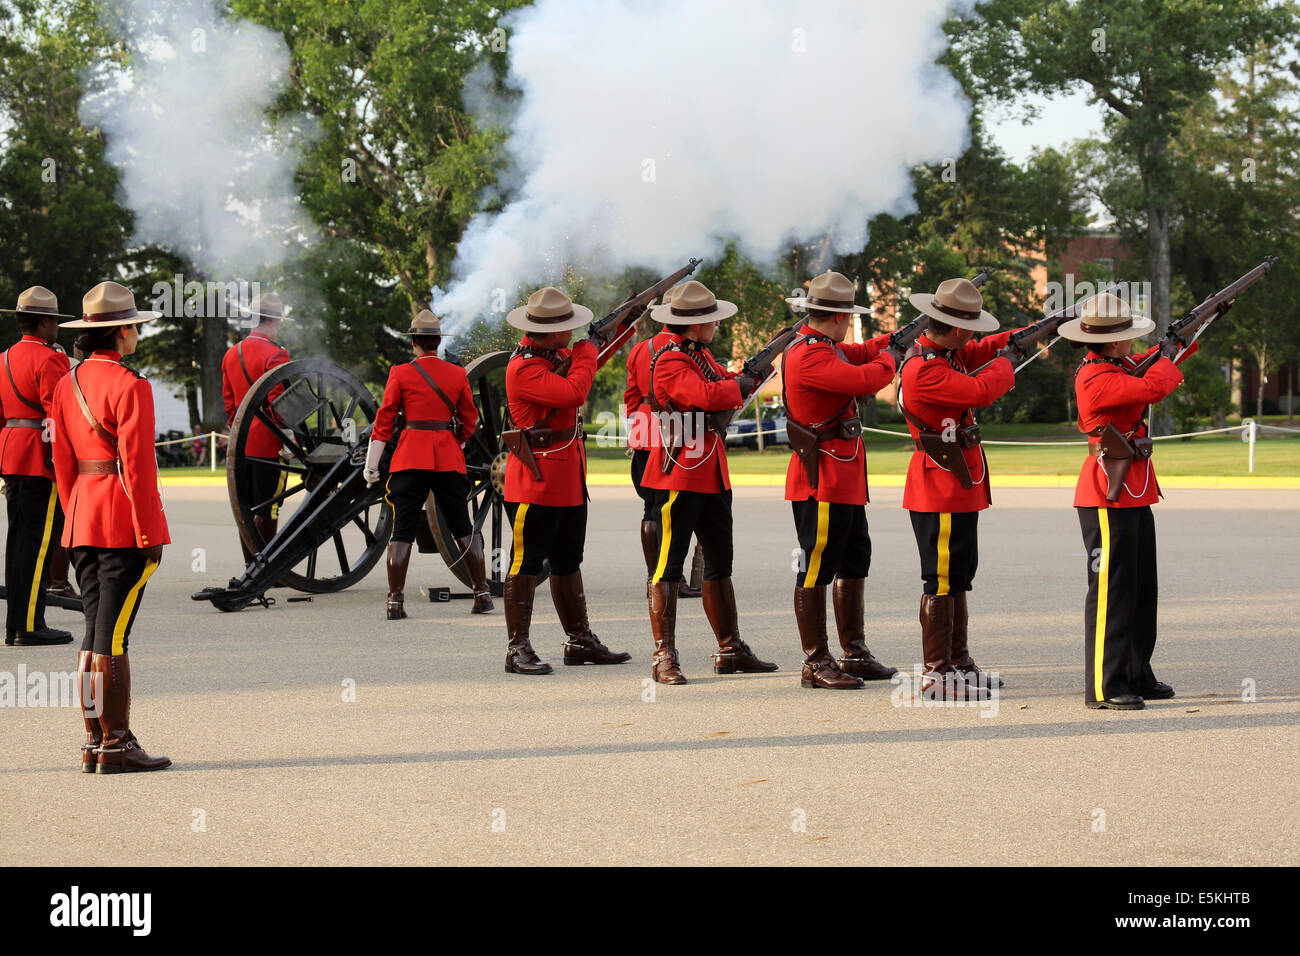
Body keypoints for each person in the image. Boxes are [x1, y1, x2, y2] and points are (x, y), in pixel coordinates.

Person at [50, 281, 170, 773]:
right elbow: (138, 469)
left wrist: (74, 512)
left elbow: (62, 463)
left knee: (94, 633)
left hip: (82, 517)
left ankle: (95, 742)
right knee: (114, 638)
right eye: (134, 328)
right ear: (120, 332)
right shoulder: (130, 385)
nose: (137, 335)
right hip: (122, 522)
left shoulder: (66, 384)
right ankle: (116, 745)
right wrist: (148, 534)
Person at [1059, 292, 1194, 710]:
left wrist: (1179, 342)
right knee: (1112, 592)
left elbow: (1149, 368)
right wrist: (1168, 357)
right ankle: (1106, 683)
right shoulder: (1096, 376)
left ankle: (1136, 671)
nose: (1133, 343)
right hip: (1106, 493)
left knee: (1140, 588)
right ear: (1115, 342)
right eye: (1129, 337)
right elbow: (1153, 386)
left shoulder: (1116, 366)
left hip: (1133, 487)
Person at [641, 280, 776, 684]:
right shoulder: (669, 360)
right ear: (696, 324)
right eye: (711, 319)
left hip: (710, 471)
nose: (717, 324)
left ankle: (730, 648)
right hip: (679, 471)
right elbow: (702, 395)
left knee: (720, 563)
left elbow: (725, 381)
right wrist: (739, 385)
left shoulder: (699, 354)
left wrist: (760, 368)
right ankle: (664, 655)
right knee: (667, 567)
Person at [899, 277, 1020, 701]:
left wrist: (1022, 335)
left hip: (955, 483)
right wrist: (1011, 358)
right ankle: (937, 674)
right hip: (941, 486)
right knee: (942, 580)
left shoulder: (943, 352)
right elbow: (983, 389)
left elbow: (982, 351)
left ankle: (959, 663)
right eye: (970, 328)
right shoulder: (927, 369)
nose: (974, 336)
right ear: (955, 330)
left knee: (958, 576)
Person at [501, 286, 633, 675]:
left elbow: (591, 359)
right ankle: (517, 648)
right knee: (525, 564)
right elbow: (576, 388)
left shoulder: (555, 354)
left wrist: (626, 323)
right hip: (536, 479)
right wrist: (588, 349)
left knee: (568, 561)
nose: (574, 333)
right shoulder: (524, 367)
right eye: (568, 328)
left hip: (567, 477)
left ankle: (579, 640)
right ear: (551, 331)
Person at [782, 271, 899, 688]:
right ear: (837, 317)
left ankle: (854, 651)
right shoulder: (811, 354)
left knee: (854, 559)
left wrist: (898, 338)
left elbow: (863, 352)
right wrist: (894, 357)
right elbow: (866, 378)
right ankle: (815, 661)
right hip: (823, 478)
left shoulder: (825, 346)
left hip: (842, 474)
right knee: (816, 566)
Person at [364, 309, 491, 618]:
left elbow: (384, 421)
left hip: (410, 458)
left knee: (402, 530)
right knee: (463, 527)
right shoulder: (457, 374)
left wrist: (371, 465)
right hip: (448, 458)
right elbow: (470, 418)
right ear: (437, 342)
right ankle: (482, 593)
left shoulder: (400, 373)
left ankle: (395, 602)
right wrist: (455, 440)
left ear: (414, 344)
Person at [1, 286, 74, 646]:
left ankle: (16, 625)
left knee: (17, 542)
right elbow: (57, 414)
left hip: (12, 453)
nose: (56, 328)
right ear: (45, 322)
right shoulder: (51, 360)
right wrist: (64, 459)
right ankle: (30, 625)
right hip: (38, 458)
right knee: (37, 544)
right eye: (54, 321)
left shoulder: (3, 358)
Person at [623, 284, 704, 597]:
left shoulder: (640, 348)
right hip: (674, 431)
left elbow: (631, 395)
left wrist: (639, 424)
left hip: (644, 430)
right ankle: (668, 578)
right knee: (671, 509)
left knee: (650, 508)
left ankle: (652, 577)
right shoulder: (686, 350)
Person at [221, 292, 291, 564]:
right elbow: (279, 402)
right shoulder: (276, 353)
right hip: (267, 444)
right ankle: (266, 569)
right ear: (273, 323)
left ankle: (251, 565)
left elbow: (229, 404)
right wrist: (288, 435)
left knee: (247, 508)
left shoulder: (231, 354)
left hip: (241, 441)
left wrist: (239, 428)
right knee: (269, 507)